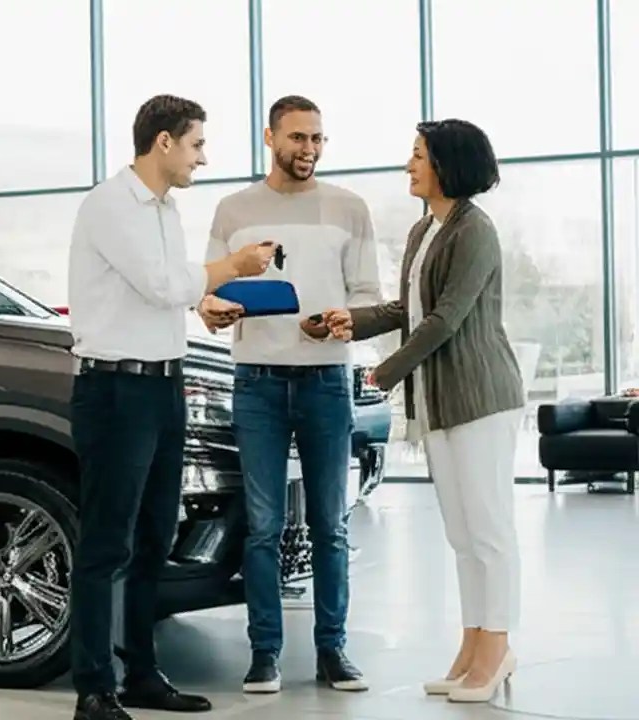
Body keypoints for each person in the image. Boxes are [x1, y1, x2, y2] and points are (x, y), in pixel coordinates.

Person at [66, 94, 276, 720]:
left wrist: (206, 301)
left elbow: (163, 291)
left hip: (161, 386)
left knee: (155, 534)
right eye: (196, 145)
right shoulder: (110, 205)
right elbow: (161, 282)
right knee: (107, 542)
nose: (202, 158)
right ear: (163, 142)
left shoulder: (166, 212)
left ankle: (140, 675)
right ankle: (93, 690)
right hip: (114, 390)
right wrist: (229, 268)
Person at [322, 118, 524, 704]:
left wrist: (382, 373)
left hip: (481, 398)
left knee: (489, 530)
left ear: (446, 164)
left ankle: (498, 646)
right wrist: (352, 321)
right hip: (439, 402)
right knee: (463, 535)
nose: (408, 165)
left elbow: (445, 320)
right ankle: (473, 644)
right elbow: (408, 308)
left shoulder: (474, 232)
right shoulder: (424, 231)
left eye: (417, 156)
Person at [200, 95, 380, 695]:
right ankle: (264, 655)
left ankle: (333, 650)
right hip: (256, 381)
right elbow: (210, 291)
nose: (309, 149)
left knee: (331, 523)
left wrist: (337, 319)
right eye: (298, 138)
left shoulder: (349, 209)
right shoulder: (233, 209)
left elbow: (367, 295)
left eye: (318, 139)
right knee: (263, 526)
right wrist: (216, 313)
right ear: (271, 137)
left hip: (327, 379)